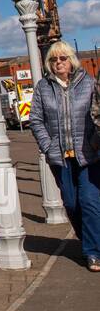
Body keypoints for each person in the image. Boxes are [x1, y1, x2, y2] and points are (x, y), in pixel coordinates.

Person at [30, 40, 100, 271]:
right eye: (53, 59)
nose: (58, 62)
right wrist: (47, 145)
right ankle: (89, 240)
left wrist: (94, 141)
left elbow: (96, 114)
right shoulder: (43, 87)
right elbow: (36, 119)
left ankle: (93, 252)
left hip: (88, 155)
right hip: (60, 157)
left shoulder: (88, 83)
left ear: (71, 60)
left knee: (90, 202)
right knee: (71, 204)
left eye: (63, 58)